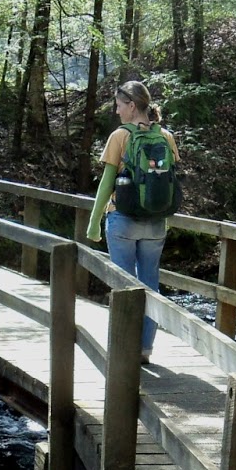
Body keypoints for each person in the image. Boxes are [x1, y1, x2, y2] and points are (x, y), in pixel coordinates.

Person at [83, 80, 181, 365]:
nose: (116, 111)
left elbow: (106, 183)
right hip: (155, 223)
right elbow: (169, 182)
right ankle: (144, 350)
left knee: (124, 287)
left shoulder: (120, 136)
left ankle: (124, 351)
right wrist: (165, 219)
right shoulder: (166, 136)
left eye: (118, 105)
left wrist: (93, 223)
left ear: (132, 105)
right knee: (150, 284)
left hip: (123, 221)